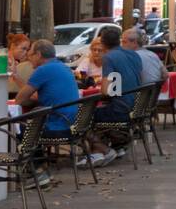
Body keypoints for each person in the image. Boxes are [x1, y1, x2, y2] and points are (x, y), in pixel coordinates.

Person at [16, 39, 83, 179]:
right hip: (73, 123)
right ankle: (38, 166)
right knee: (33, 123)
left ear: (39, 54)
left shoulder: (43, 70)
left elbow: (19, 100)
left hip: (57, 126)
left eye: (31, 55)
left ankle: (38, 170)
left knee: (16, 129)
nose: (29, 59)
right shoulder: (63, 66)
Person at [87, 27, 142, 160]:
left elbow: (105, 91)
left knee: (84, 116)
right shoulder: (134, 55)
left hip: (121, 110)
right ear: (119, 41)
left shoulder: (109, 58)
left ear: (103, 43)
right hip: (137, 107)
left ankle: (101, 151)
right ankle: (118, 145)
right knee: (101, 110)